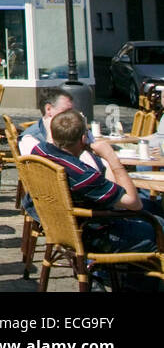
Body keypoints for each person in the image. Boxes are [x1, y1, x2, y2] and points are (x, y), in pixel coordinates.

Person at [35, 109, 164, 277]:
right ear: (83, 138)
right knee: (158, 224)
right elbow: (134, 203)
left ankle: (129, 283)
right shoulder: (82, 175)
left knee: (153, 208)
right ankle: (123, 281)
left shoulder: (41, 151)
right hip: (94, 235)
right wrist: (111, 158)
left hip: (64, 230)